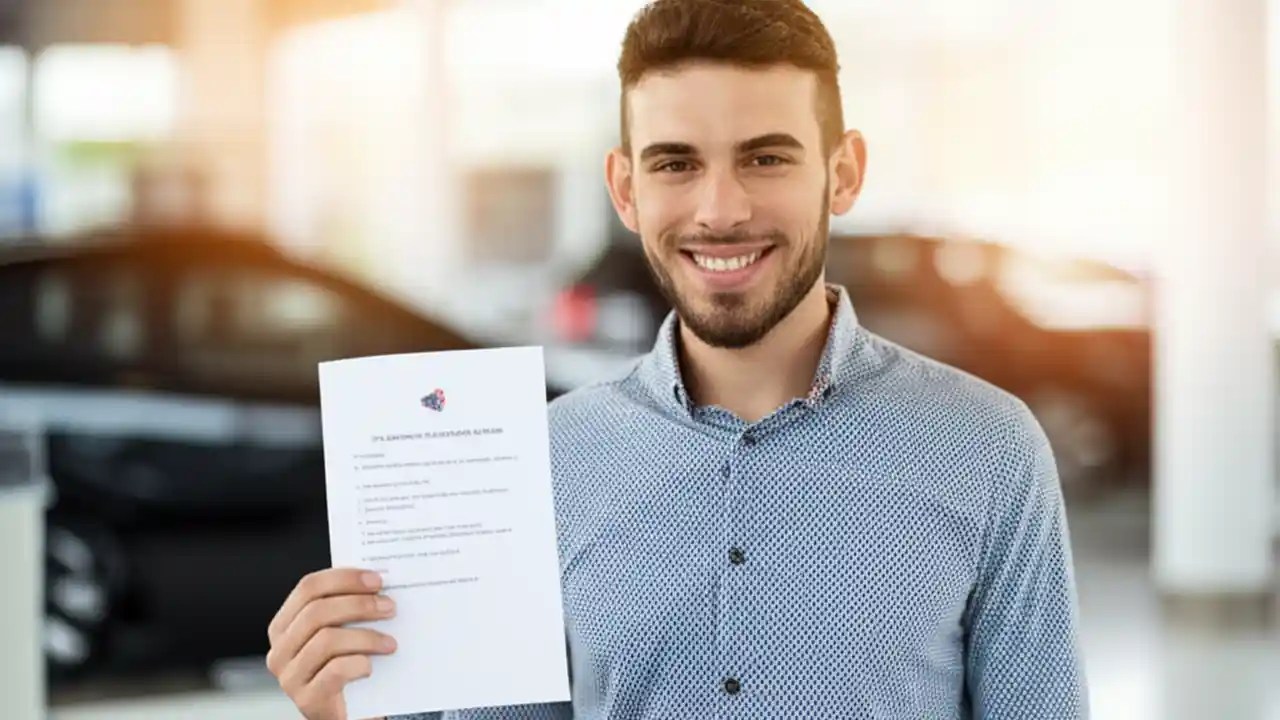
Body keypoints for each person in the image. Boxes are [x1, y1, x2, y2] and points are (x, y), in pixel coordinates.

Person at [265, 1, 1089, 718]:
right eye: (676, 163)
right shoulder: (539, 464)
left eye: (766, 158)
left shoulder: (988, 452)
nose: (720, 209)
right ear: (625, 190)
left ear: (844, 174)